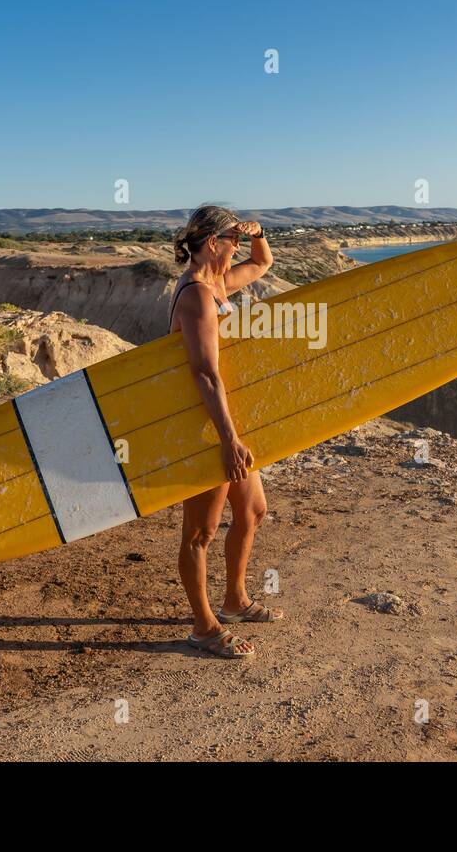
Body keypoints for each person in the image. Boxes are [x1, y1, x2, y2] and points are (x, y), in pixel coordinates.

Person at [168, 205, 284, 658]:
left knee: (253, 510)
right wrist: (229, 439)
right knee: (201, 532)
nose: (238, 248)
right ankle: (203, 627)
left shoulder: (217, 283)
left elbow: (263, 264)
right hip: (206, 425)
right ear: (213, 243)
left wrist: (257, 234)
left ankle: (235, 600)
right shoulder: (197, 292)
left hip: (225, 420)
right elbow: (204, 373)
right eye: (232, 240)